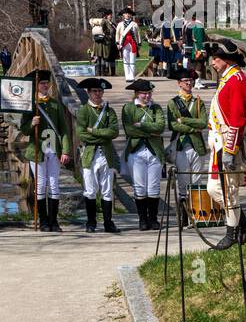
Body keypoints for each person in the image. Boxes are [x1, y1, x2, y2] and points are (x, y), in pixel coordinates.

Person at [206, 37, 246, 250]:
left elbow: (237, 119)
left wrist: (229, 150)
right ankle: (243, 224)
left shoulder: (236, 80)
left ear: (226, 59)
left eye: (215, 59)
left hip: (227, 143)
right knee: (218, 189)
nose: (212, 63)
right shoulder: (229, 78)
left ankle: (232, 232)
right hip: (220, 142)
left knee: (225, 189)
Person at [21, 69, 72, 232]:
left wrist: (65, 151)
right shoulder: (30, 105)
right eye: (42, 83)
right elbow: (24, 129)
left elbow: (63, 129)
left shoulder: (55, 104)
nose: (45, 86)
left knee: (54, 184)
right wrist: (32, 123)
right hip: (37, 150)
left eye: (46, 83)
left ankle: (53, 221)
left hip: (54, 151)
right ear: (36, 85)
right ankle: (43, 221)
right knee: (41, 185)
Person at [75, 78, 121, 234]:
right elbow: (82, 135)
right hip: (90, 154)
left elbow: (114, 132)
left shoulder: (109, 111)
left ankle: (108, 223)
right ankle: (91, 222)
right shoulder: (83, 111)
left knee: (107, 189)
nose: (98, 94)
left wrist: (93, 131)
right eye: (94, 91)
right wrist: (103, 135)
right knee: (90, 190)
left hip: (106, 154)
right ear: (88, 92)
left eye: (100, 91)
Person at [121, 79, 166, 231]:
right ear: (137, 93)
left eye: (148, 93)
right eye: (143, 93)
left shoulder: (156, 108)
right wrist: (150, 131)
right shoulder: (128, 108)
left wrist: (142, 125)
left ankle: (153, 219)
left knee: (153, 187)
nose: (146, 96)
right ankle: (142, 219)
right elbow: (130, 130)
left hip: (154, 151)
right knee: (139, 187)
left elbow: (160, 127)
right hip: (136, 151)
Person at [167, 68, 208, 227]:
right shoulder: (173, 103)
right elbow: (173, 126)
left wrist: (183, 120)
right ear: (179, 84)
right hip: (181, 146)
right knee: (182, 183)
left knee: (196, 182)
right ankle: (183, 218)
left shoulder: (199, 102)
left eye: (190, 81)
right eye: (185, 81)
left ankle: (196, 216)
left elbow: (203, 123)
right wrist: (192, 128)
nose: (189, 83)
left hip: (197, 146)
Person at [116, 8, 140, 82]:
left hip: (133, 43)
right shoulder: (120, 24)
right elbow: (117, 34)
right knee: (126, 61)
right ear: (123, 15)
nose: (127, 15)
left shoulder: (134, 24)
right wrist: (117, 43)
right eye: (126, 14)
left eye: (129, 14)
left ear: (131, 15)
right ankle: (127, 76)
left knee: (132, 60)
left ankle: (132, 76)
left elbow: (138, 34)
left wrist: (139, 43)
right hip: (124, 44)